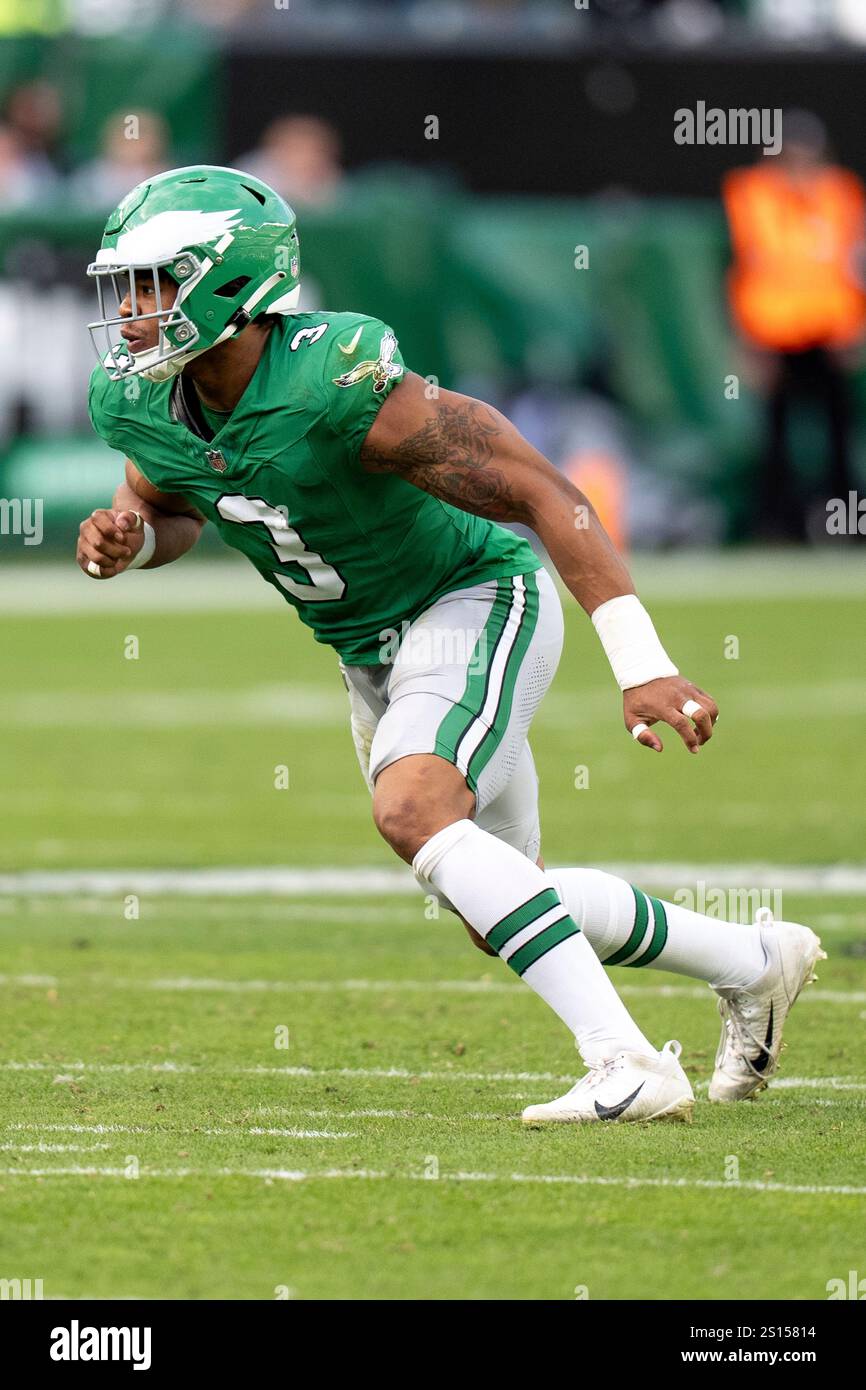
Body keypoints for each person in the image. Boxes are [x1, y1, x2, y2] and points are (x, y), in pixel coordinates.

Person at [80, 165, 825, 1123]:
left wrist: (641, 663)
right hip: (368, 656)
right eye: (126, 286)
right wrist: (129, 540)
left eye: (153, 283)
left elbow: (543, 489)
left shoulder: (336, 381)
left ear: (227, 283)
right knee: (503, 906)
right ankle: (753, 964)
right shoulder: (138, 401)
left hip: (471, 598)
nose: (130, 310)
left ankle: (625, 1063)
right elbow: (165, 500)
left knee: (414, 809)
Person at [723, 111, 866, 540]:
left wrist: (855, 325)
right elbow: (741, 268)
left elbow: (852, 264)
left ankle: (845, 529)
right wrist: (747, 342)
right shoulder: (753, 195)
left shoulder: (840, 193)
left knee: (839, 437)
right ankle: (775, 529)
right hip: (773, 334)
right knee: (774, 440)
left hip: (829, 332)